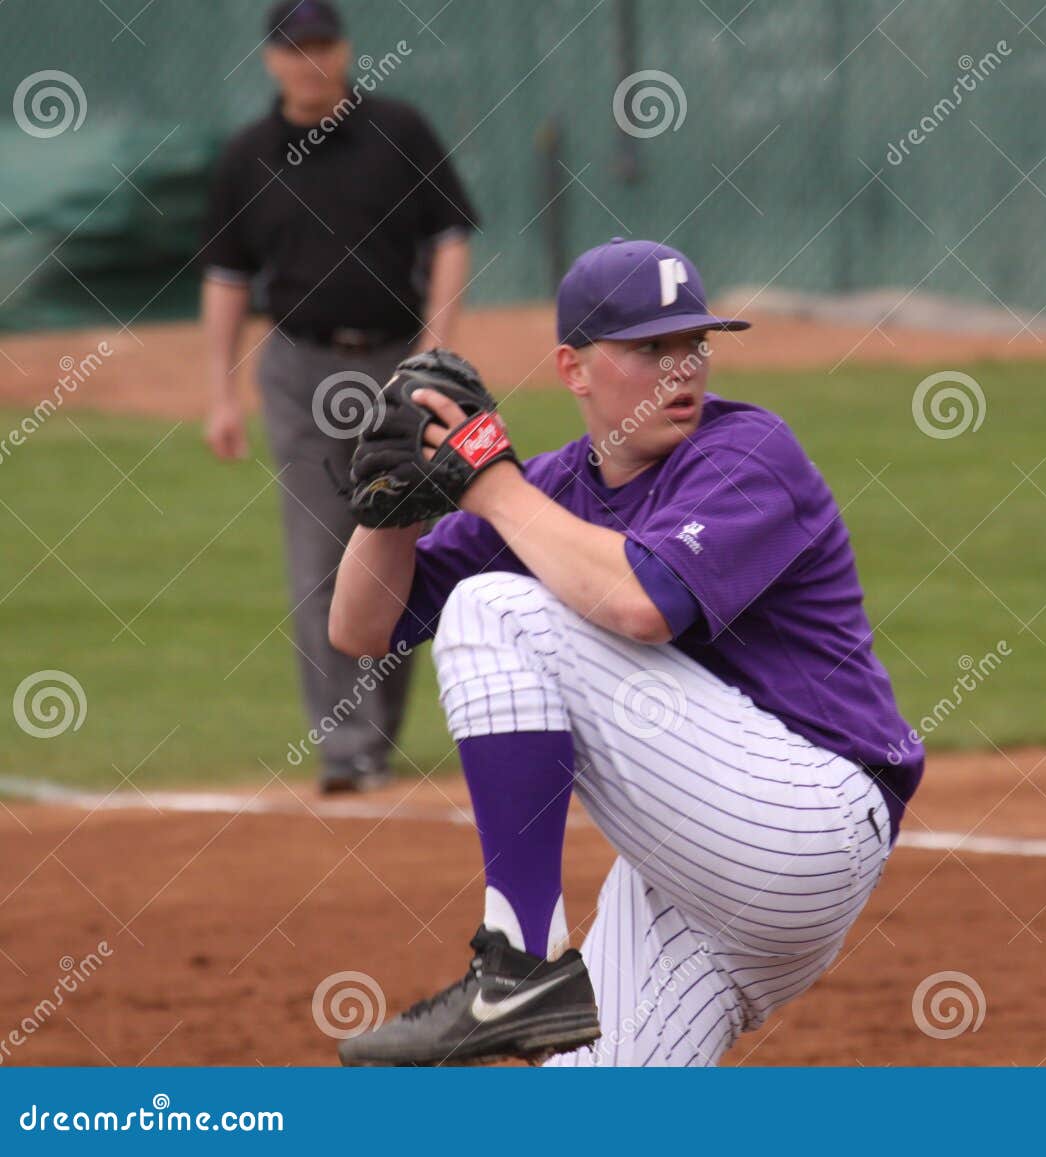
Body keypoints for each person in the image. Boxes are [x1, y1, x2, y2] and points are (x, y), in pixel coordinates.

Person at [326, 238, 924, 1066]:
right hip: (692, 886)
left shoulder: (750, 454)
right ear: (574, 369)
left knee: (492, 606)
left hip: (804, 819)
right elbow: (360, 629)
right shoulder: (549, 494)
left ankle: (522, 964)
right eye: (651, 348)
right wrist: (386, 510)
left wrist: (488, 483)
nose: (681, 369)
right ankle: (533, 989)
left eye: (694, 344)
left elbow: (643, 603)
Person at [199, 0, 478, 792]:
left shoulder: (399, 130)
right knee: (323, 553)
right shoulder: (247, 157)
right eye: (293, 48)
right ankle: (349, 744)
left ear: (345, 50)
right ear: (270, 60)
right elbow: (225, 278)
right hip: (300, 369)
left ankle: (388, 728)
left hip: (396, 360)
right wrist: (220, 391)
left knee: (403, 541)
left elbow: (451, 234)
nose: (308, 60)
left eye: (321, 44)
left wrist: (437, 347)